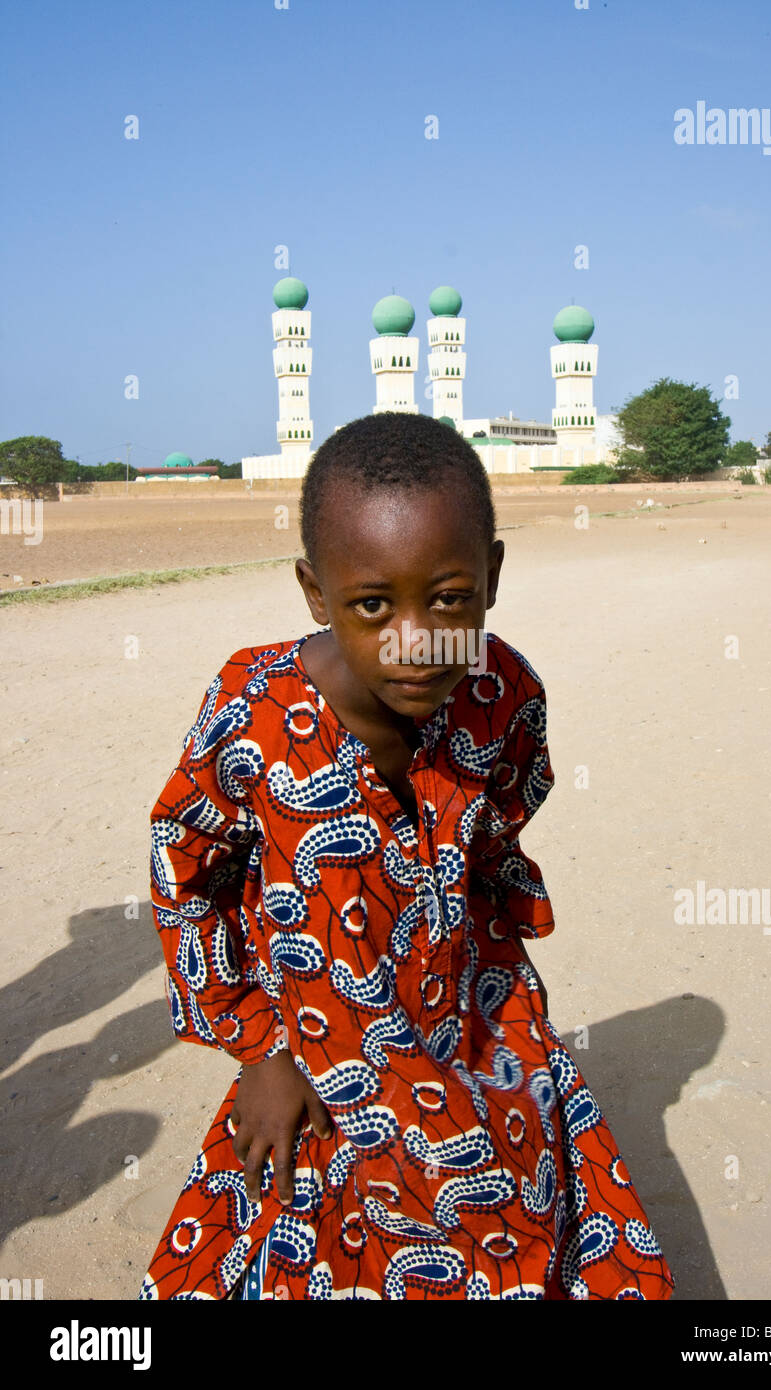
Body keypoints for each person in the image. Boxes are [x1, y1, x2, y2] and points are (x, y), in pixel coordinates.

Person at [140, 412, 675, 1301]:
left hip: (474, 1019)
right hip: (320, 1053)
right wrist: (258, 1052)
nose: (417, 641)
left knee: (526, 1219)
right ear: (317, 594)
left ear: (493, 577)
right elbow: (185, 872)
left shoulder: (505, 691)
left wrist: (499, 970)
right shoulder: (252, 710)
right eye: (372, 605)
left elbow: (501, 824)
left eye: (450, 598)